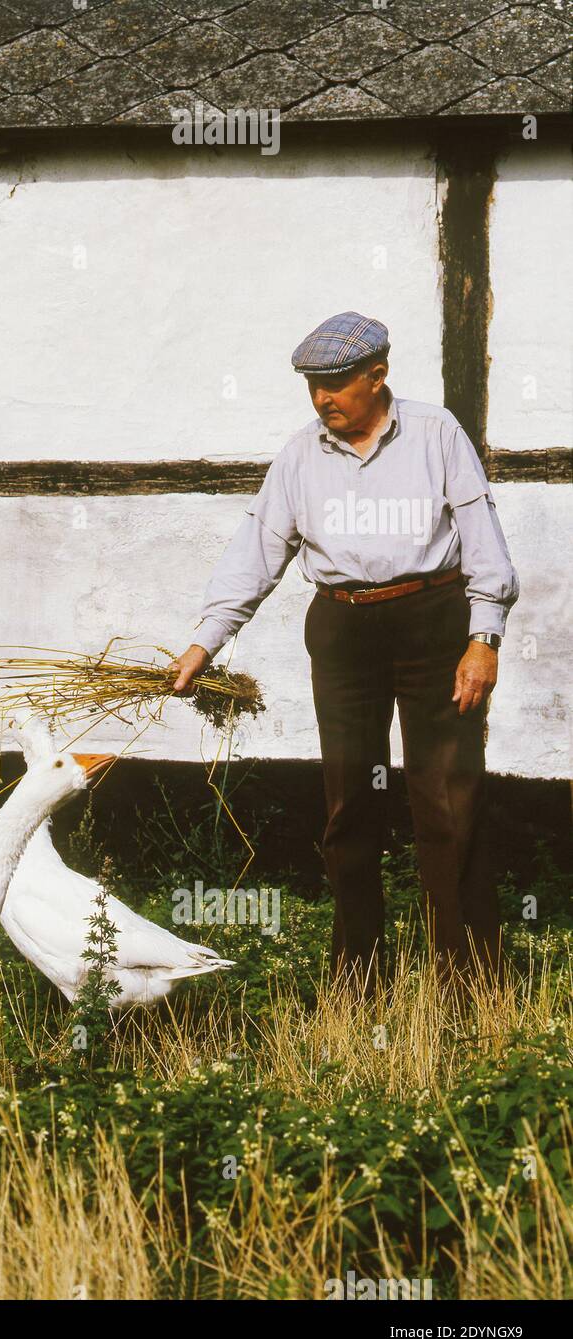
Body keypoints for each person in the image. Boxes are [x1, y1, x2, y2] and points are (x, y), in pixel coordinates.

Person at [170, 312, 518, 987]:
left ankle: (470, 979)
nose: (323, 399)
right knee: (348, 802)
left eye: (335, 384)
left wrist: (483, 639)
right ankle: (357, 977)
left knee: (447, 798)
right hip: (342, 629)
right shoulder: (301, 454)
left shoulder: (437, 434)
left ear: (376, 375)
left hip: (433, 624)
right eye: (313, 387)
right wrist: (203, 642)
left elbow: (483, 542)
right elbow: (258, 550)